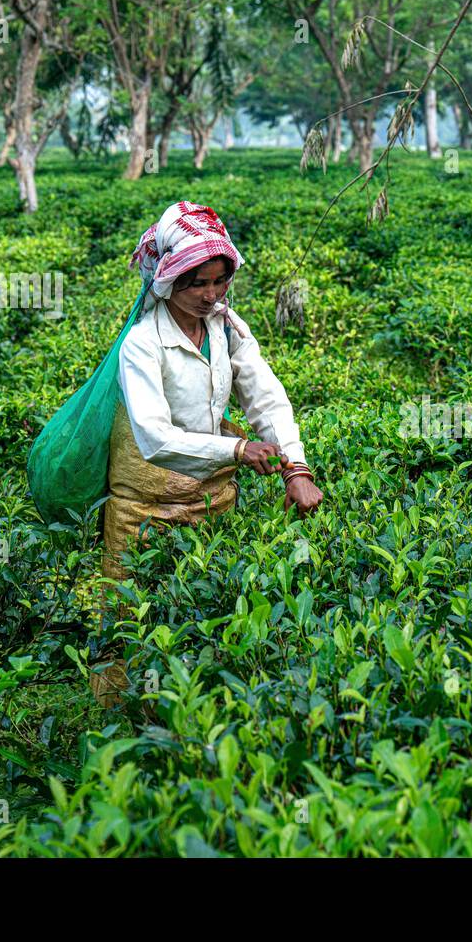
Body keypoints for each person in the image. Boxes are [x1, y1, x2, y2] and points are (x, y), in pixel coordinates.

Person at [90, 201, 323, 707]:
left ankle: (199, 731)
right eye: (198, 282)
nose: (211, 294)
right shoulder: (142, 343)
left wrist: (295, 468)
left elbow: (267, 399)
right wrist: (238, 448)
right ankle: (116, 728)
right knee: (128, 624)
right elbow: (155, 438)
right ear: (168, 280)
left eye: (219, 281)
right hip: (142, 508)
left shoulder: (227, 328)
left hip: (216, 502)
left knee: (206, 617)